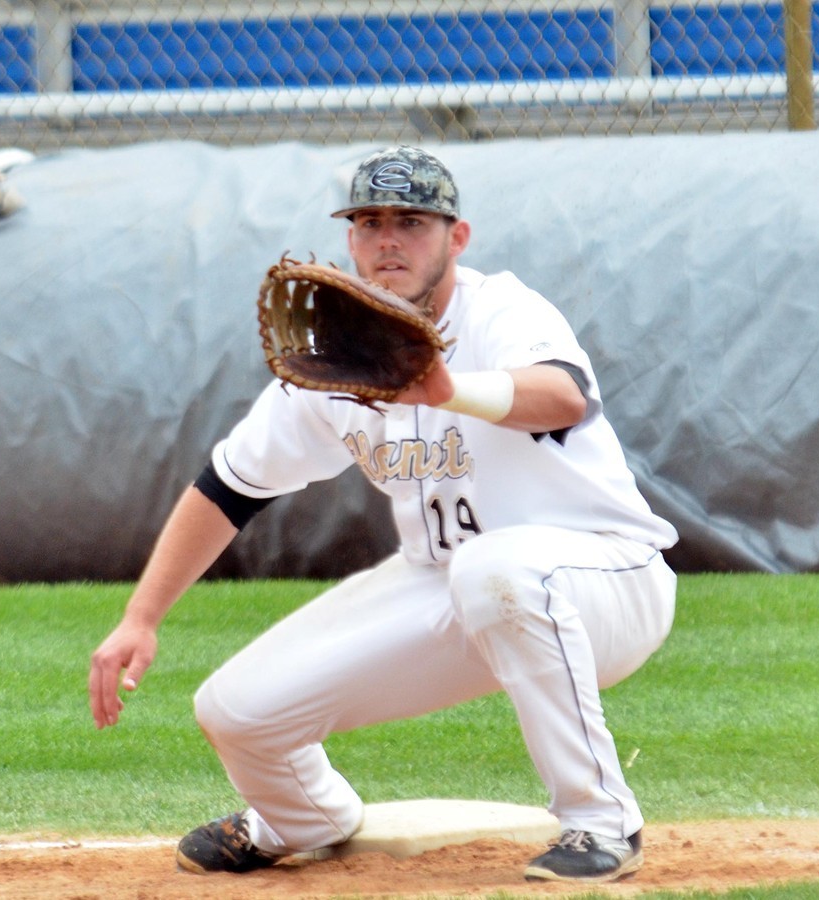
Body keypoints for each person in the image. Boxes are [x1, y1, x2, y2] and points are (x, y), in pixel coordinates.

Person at [88, 146, 679, 884]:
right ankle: (300, 817)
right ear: (350, 242)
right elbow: (230, 486)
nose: (388, 240)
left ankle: (601, 822)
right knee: (236, 711)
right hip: (452, 587)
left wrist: (447, 390)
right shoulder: (335, 359)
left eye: (411, 221)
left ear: (456, 238)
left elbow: (561, 396)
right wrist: (141, 618)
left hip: (605, 579)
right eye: (369, 223)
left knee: (494, 570)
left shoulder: (501, 309)